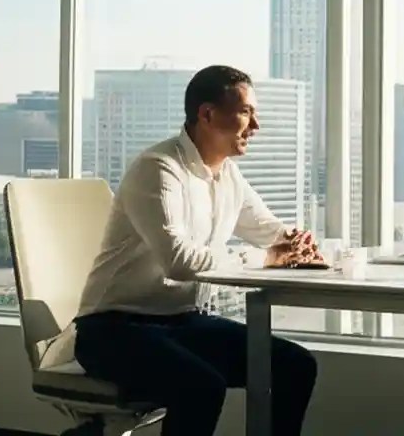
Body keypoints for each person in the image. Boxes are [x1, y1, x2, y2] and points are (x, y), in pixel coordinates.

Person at [70, 65, 318, 436]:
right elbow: (179, 261)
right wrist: (263, 259)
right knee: (202, 386)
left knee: (295, 365)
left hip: (180, 322)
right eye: (247, 112)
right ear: (207, 114)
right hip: (111, 330)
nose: (256, 126)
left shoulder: (227, 175)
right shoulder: (158, 169)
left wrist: (301, 245)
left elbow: (269, 231)